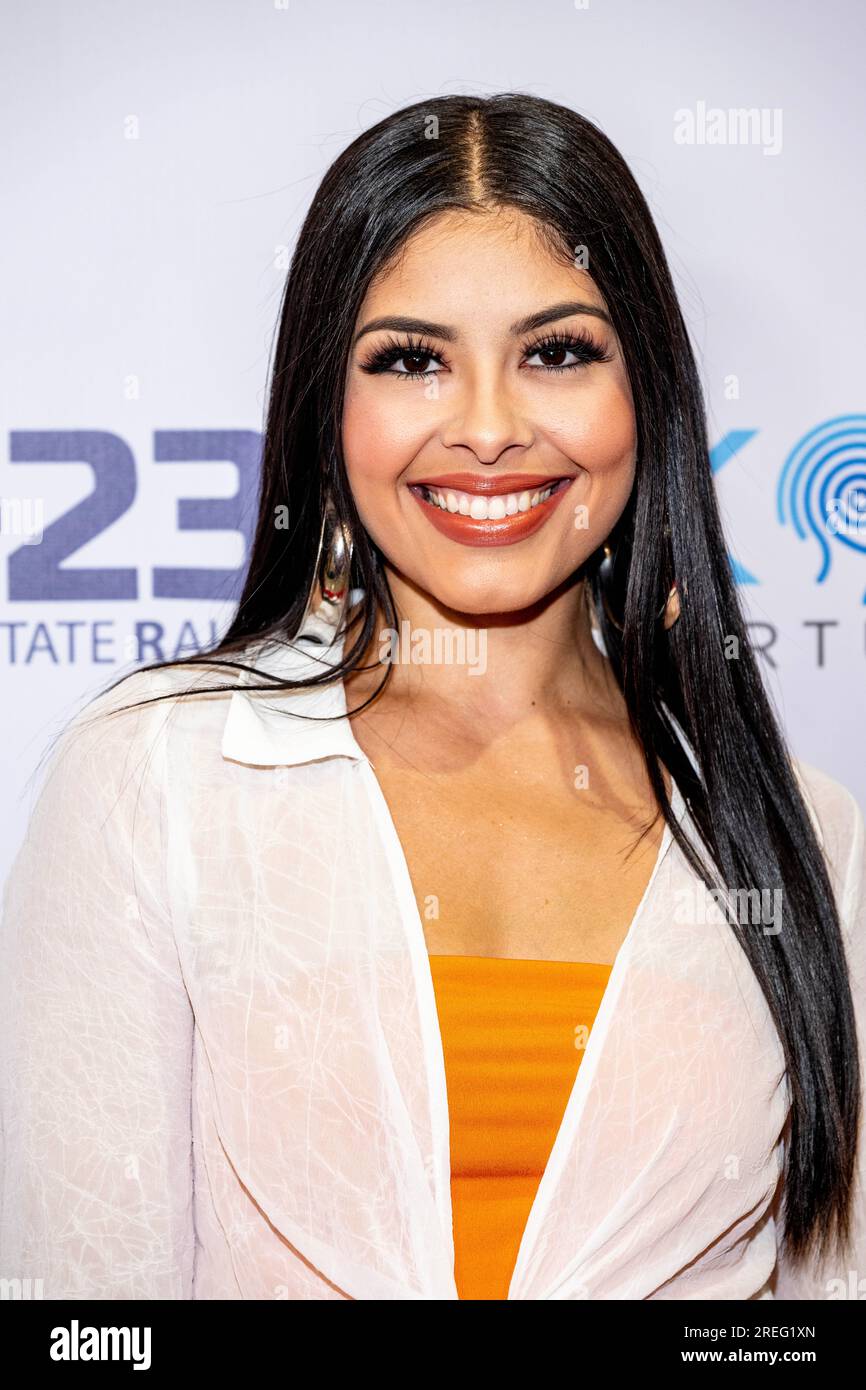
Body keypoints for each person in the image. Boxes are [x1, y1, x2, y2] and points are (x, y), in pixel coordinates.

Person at [1, 92, 864, 1301]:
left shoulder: (800, 842)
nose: (489, 429)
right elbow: (86, 1313)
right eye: (411, 360)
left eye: (556, 352)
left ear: (646, 394)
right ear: (326, 406)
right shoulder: (158, 780)